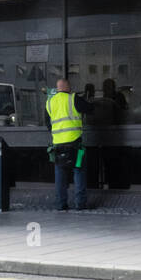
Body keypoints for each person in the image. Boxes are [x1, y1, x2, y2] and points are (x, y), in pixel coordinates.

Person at [45, 79, 92, 211]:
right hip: (75, 143)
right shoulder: (73, 98)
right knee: (79, 171)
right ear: (68, 87)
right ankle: (80, 204)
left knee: (60, 174)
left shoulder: (49, 102)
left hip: (57, 144)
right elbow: (89, 108)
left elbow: (47, 123)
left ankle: (61, 204)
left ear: (58, 88)